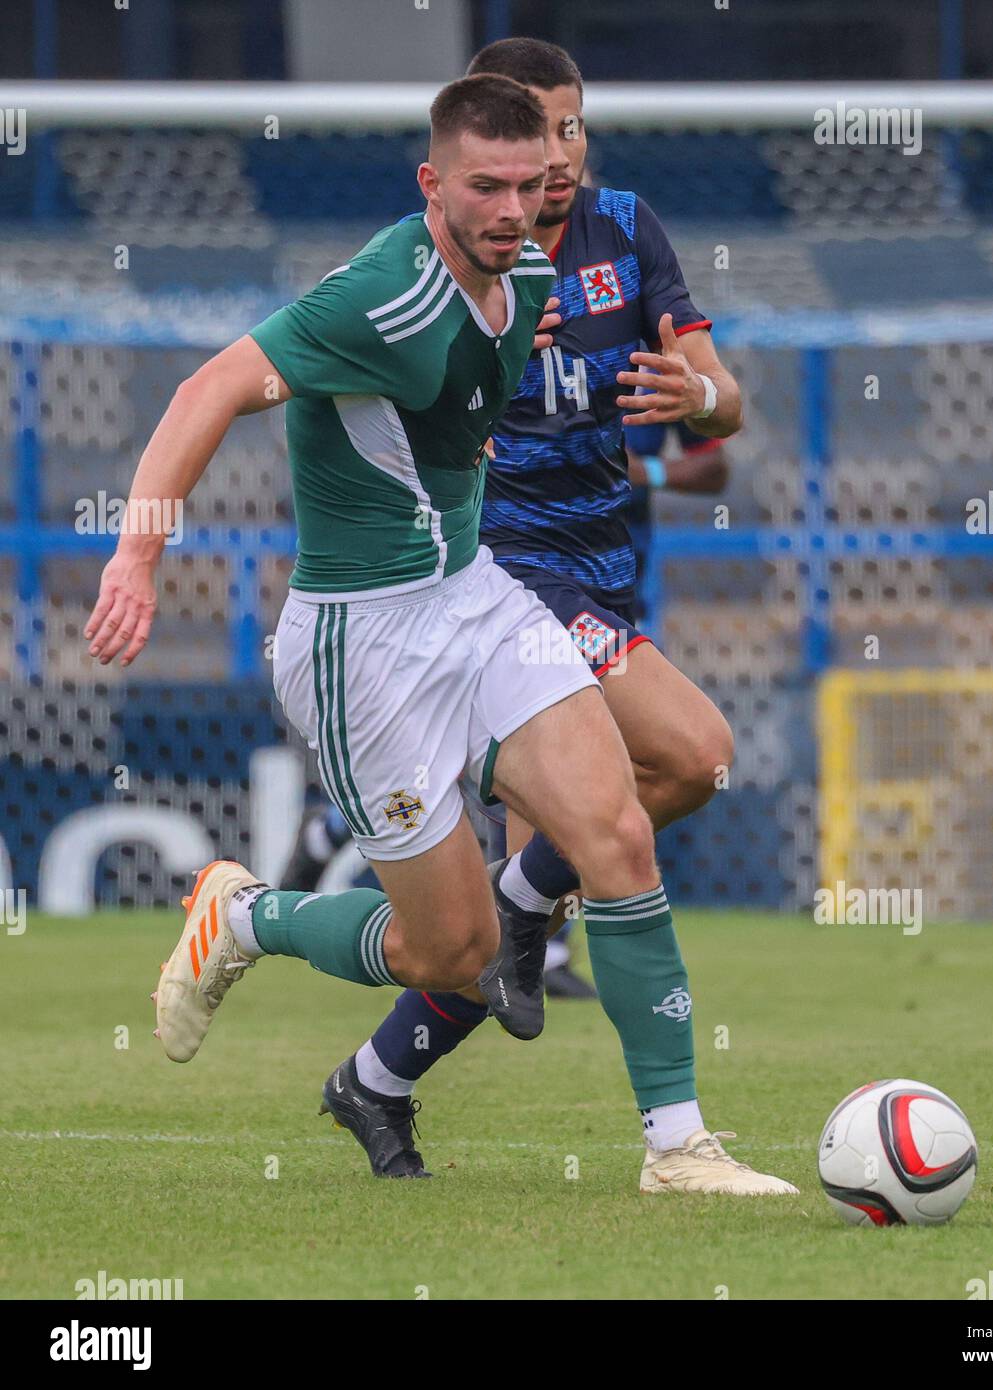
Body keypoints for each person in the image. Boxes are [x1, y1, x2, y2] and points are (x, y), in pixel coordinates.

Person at [84, 72, 796, 1198]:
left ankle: (677, 1146)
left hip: (477, 600)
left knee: (616, 829)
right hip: (362, 648)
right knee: (448, 958)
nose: (514, 206)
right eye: (485, 185)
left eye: (530, 182)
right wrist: (137, 551)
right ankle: (245, 913)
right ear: (433, 183)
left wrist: (689, 409)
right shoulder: (379, 294)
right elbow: (205, 387)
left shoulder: (534, 269)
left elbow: (524, 428)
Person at [349, 40, 797, 1196]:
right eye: (539, 131)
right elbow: (397, 414)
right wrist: (490, 358)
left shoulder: (626, 227)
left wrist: (697, 397)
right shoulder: (452, 260)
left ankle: (380, 1069)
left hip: (603, 563)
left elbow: (724, 403)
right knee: (689, 757)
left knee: (632, 815)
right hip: (498, 571)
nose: (557, 154)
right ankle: (673, 1139)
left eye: (572, 128)